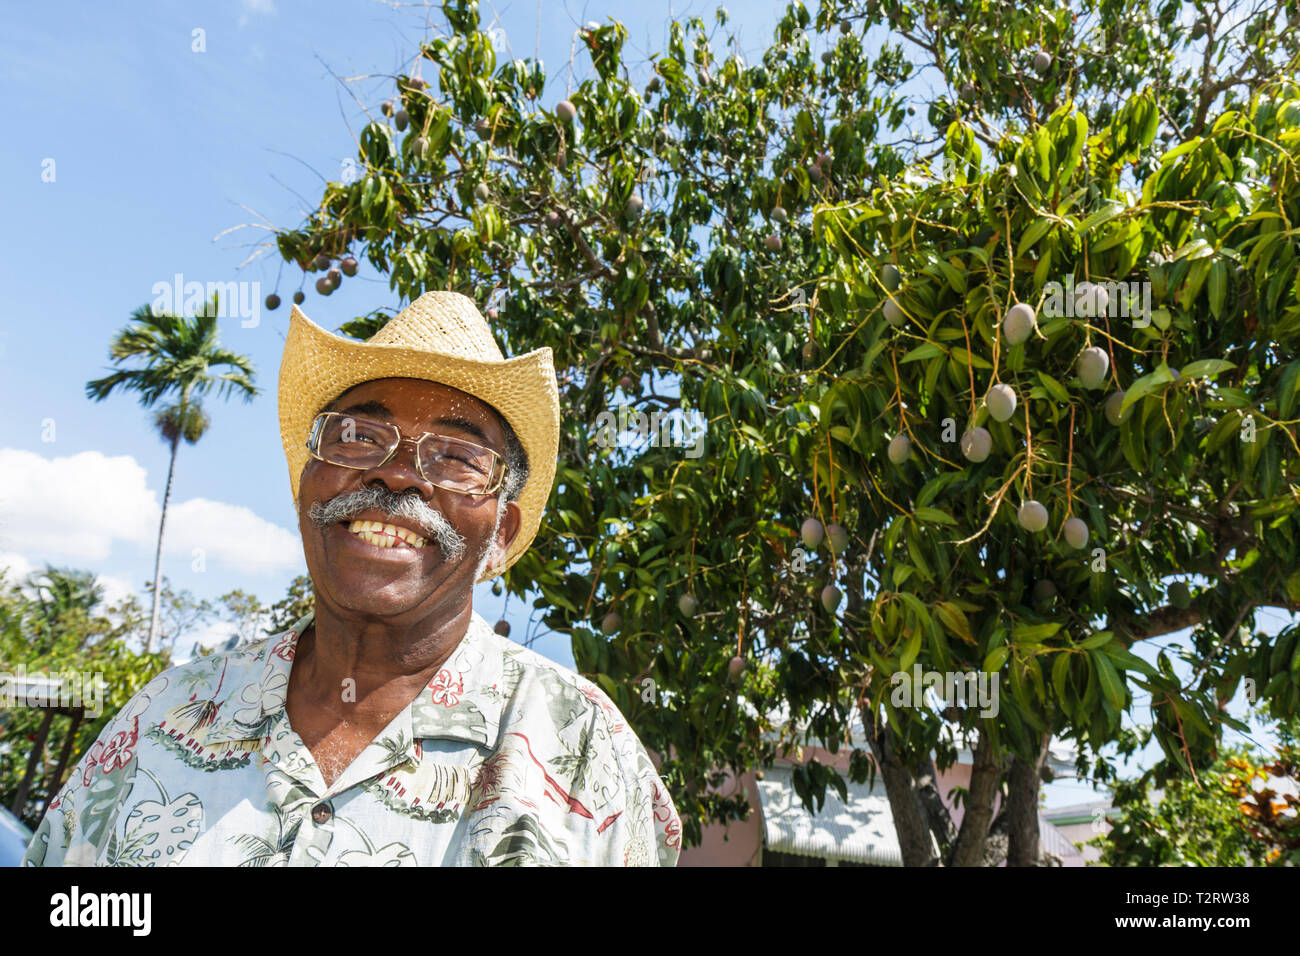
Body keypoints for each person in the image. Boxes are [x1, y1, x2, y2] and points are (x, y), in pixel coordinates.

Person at [23, 291, 681, 866]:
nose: (396, 474)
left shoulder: (586, 750)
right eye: (360, 437)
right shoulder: (162, 720)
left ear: (502, 533)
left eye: (455, 457)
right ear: (307, 485)